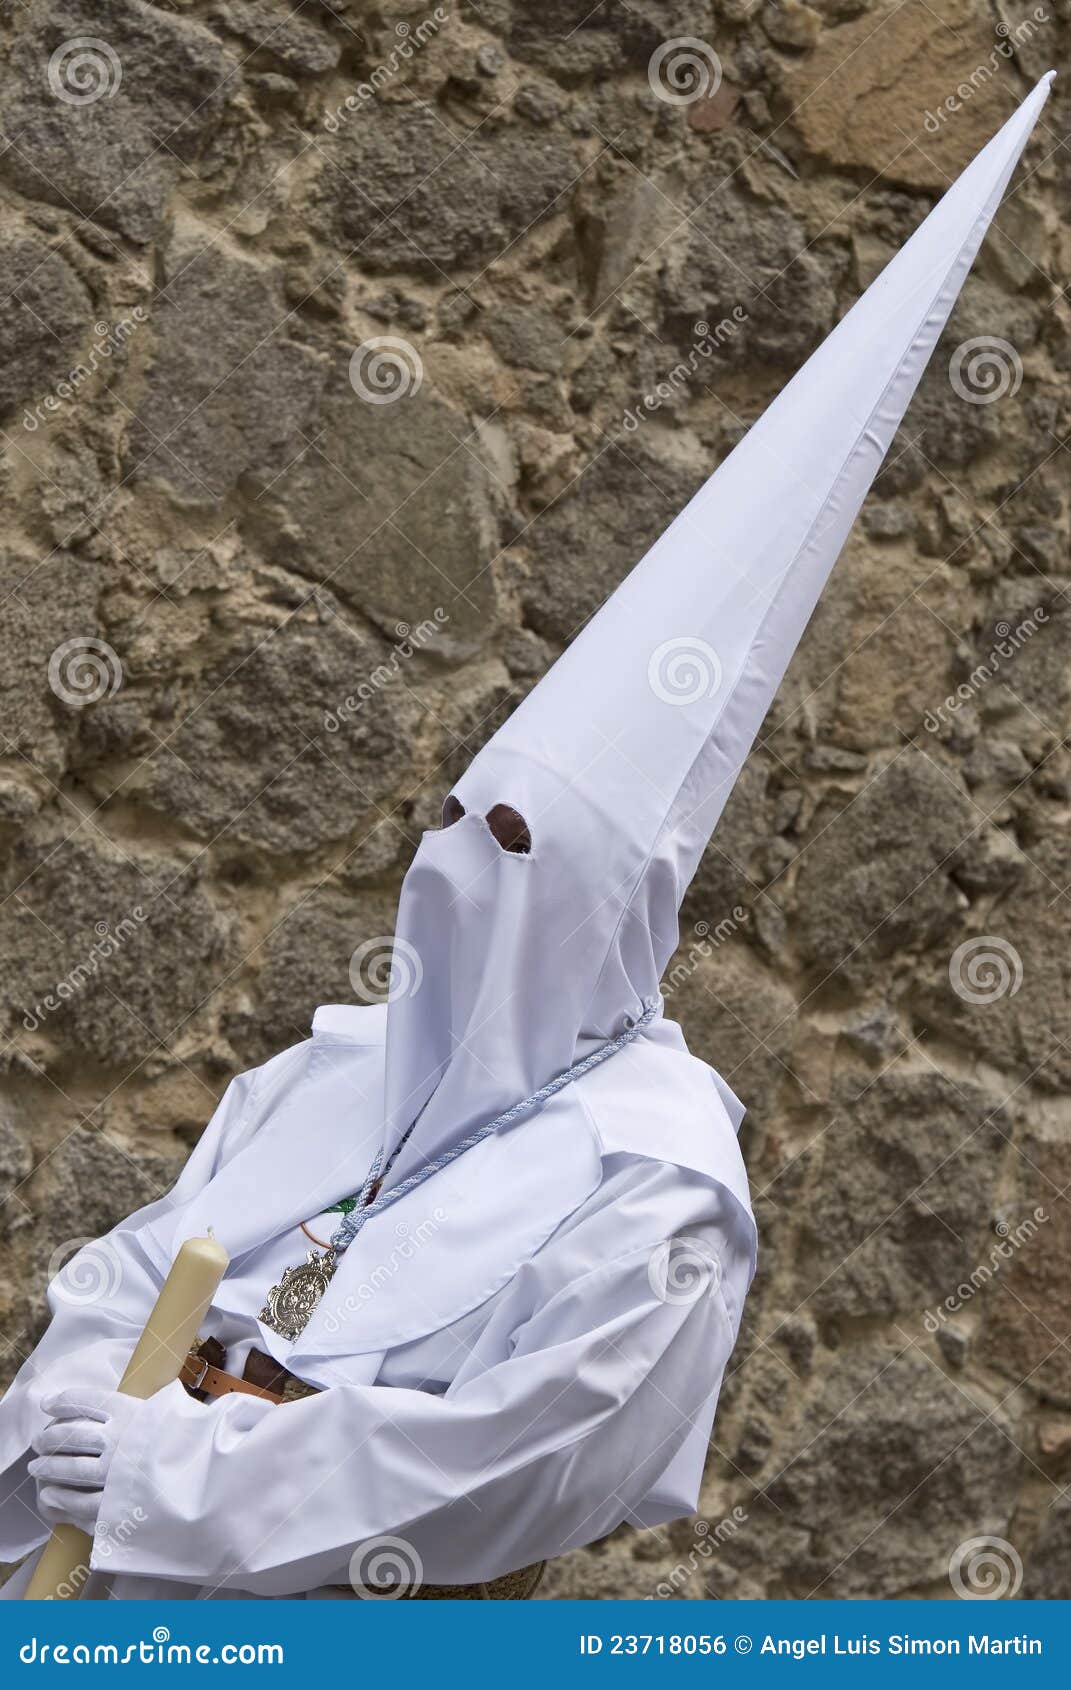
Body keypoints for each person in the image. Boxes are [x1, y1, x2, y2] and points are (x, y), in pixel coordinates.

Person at [0, 73, 1052, 1600]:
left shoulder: (663, 1178)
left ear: (613, 903)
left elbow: (526, 1461)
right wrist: (83, 1406)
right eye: (447, 818)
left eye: (510, 837)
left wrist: (184, 1470)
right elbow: (121, 1272)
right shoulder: (335, 1068)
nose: (452, 865)